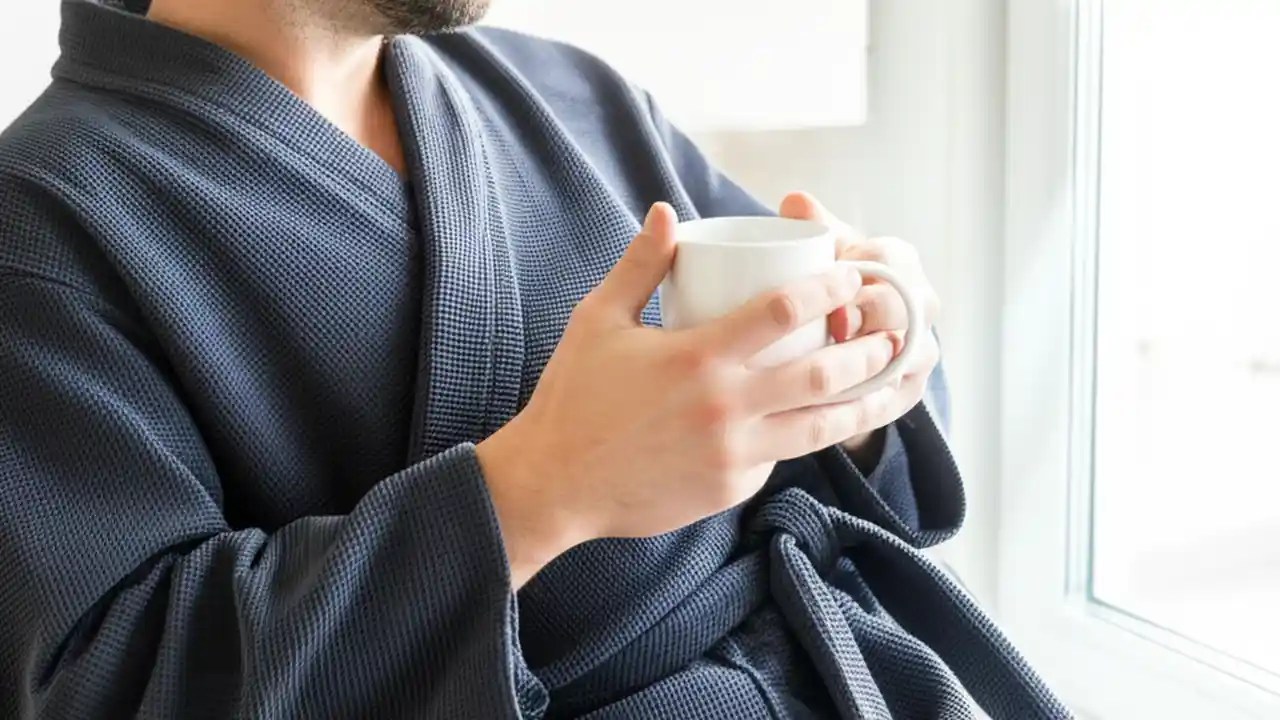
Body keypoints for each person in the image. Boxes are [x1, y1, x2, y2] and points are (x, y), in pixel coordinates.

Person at [0, 0, 1068, 717]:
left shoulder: (562, 89)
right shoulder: (45, 219)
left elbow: (809, 418)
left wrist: (866, 362)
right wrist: (538, 492)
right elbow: (114, 682)